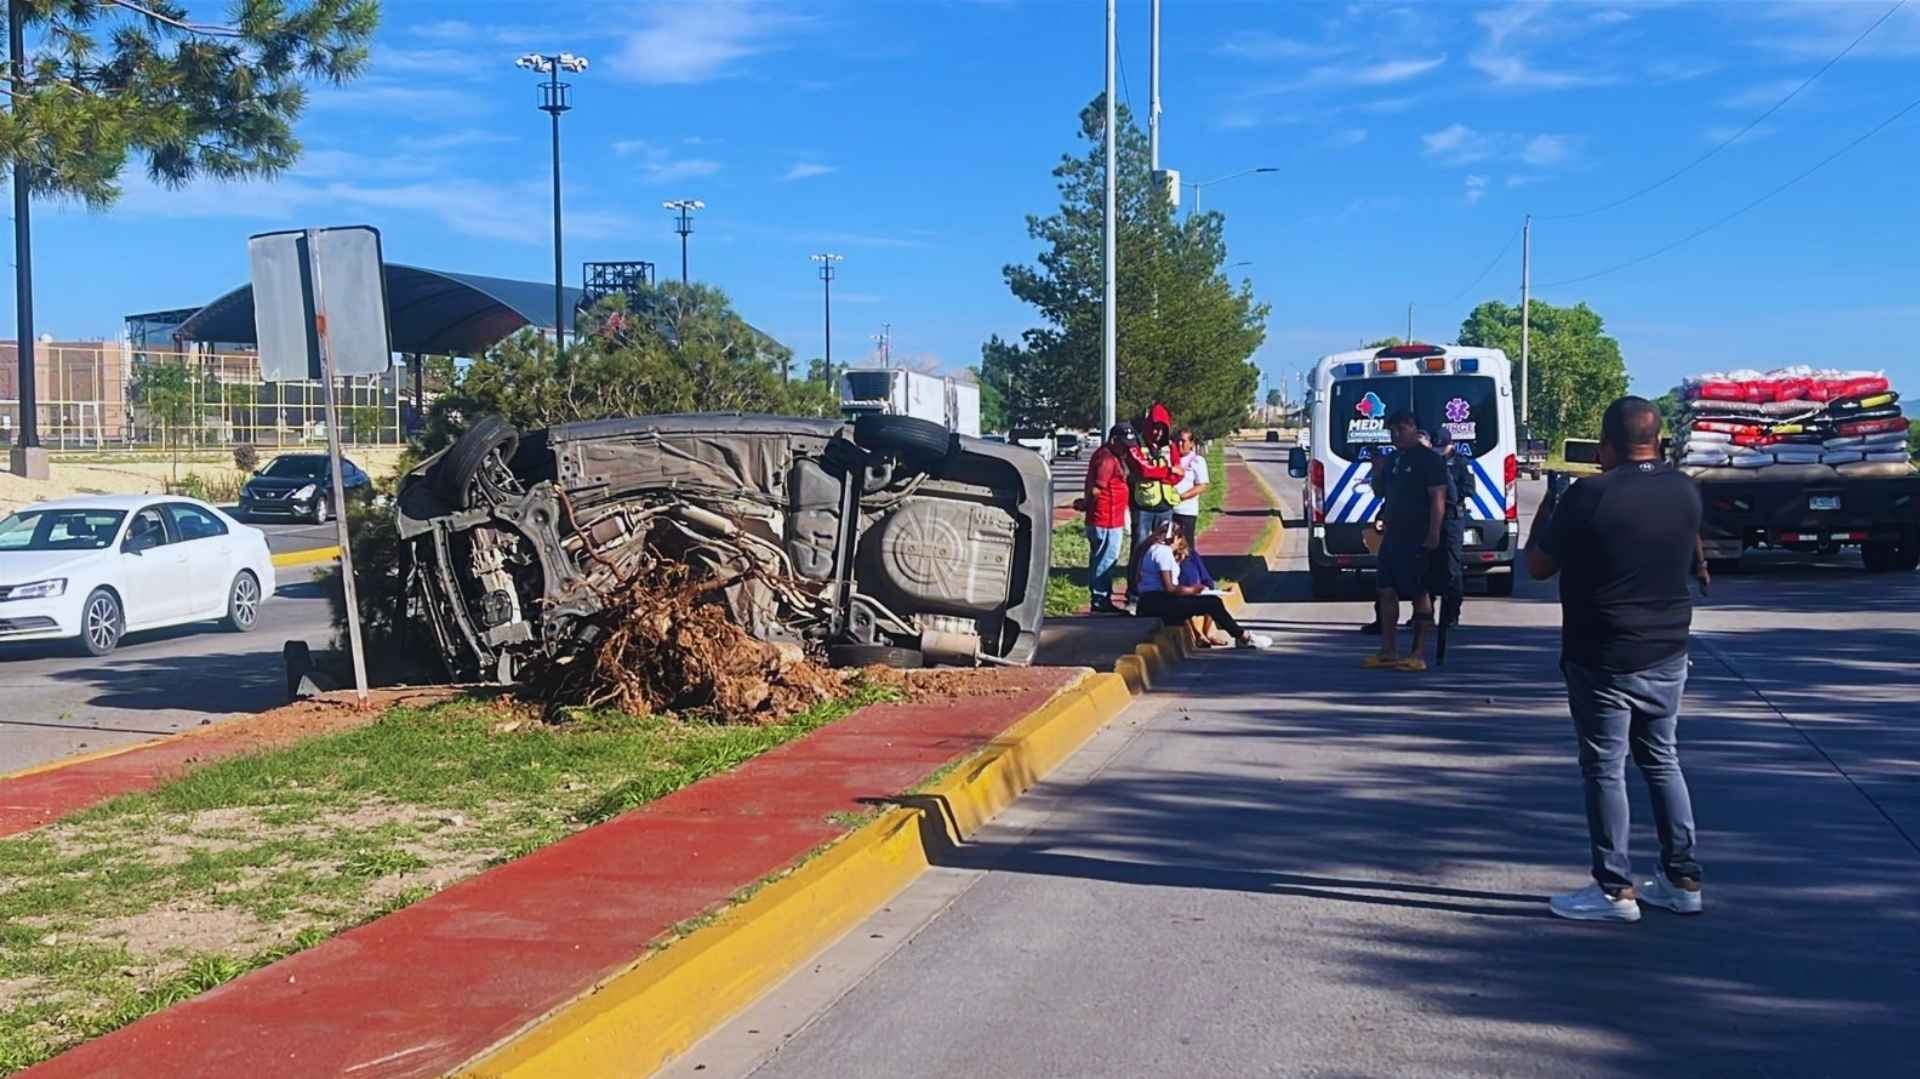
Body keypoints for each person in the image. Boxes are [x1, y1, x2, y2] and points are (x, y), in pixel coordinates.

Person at [1528, 396, 1707, 924]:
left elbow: (1538, 566)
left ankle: (1613, 889)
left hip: (1603, 653)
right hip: (1669, 649)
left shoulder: (1589, 495)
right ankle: (1683, 879)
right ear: (1659, 439)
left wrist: (1548, 511)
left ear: (1606, 444)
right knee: (1662, 759)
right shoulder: (1684, 490)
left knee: (1606, 768)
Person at [1363, 410, 1449, 672]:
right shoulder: (1393, 460)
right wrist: (1377, 470)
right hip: (1393, 536)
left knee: (1420, 592)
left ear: (1413, 427)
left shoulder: (1429, 461)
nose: (1395, 436)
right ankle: (1388, 650)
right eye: (1391, 431)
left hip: (1418, 535)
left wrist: (1434, 533)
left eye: (1400, 430)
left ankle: (1418, 653)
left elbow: (1438, 498)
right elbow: (1381, 492)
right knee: (1386, 590)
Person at [1136, 522, 1269, 649]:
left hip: (1149, 602)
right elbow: (1170, 588)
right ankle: (1243, 637)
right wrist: (1193, 590)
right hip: (1159, 603)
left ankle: (1235, 635)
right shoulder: (1163, 552)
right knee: (1213, 603)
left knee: (1196, 604)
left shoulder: (1151, 549)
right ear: (1175, 537)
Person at [1125, 402, 1185, 608]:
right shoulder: (1137, 445)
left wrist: (1168, 474)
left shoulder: (1171, 448)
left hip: (1165, 505)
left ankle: (1164, 589)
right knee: (1140, 548)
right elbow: (1143, 471)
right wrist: (1168, 472)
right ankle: (1134, 594)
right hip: (1143, 506)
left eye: (1162, 429)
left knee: (1166, 548)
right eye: (1155, 427)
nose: (1158, 432)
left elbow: (1180, 474)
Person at [1082, 423, 1135, 614]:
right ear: (1113, 440)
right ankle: (1100, 599)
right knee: (1106, 559)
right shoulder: (1107, 459)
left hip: (1111, 517)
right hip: (1106, 518)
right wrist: (1086, 503)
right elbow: (1098, 488)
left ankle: (1102, 597)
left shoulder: (1111, 456)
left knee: (1103, 558)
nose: (1126, 449)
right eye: (1123, 444)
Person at [1430, 428, 1470, 630]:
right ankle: (1424, 614)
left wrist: (1450, 488)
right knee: (1427, 566)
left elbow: (1468, 489)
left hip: (1452, 519)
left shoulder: (1460, 462)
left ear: (1451, 444)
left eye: (1442, 447)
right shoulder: (1429, 462)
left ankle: (1451, 614)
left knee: (1452, 568)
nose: (1439, 451)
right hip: (1430, 518)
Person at [1171, 427, 1215, 588]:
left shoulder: (1197, 461)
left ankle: (1194, 580)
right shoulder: (1171, 459)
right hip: (1169, 511)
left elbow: (1202, 485)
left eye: (1184, 441)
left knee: (1186, 549)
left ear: (1192, 443)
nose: (1180, 444)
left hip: (1186, 512)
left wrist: (1181, 497)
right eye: (1178, 441)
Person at [1171, 530, 1230, 646]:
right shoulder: (1168, 559)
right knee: (1181, 606)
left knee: (1213, 599)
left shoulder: (1192, 555)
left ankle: (1208, 633)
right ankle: (1198, 635)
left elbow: (1205, 576)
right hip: (1183, 592)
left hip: (1198, 591)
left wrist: (1208, 588)